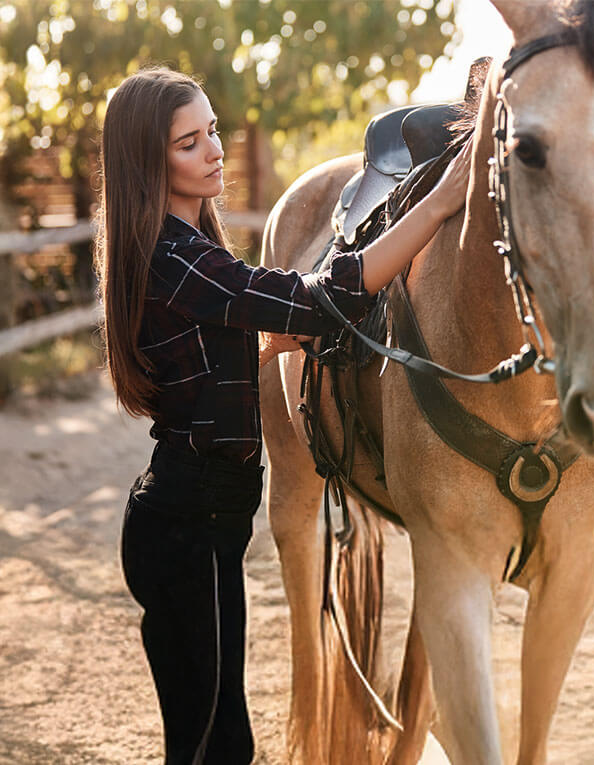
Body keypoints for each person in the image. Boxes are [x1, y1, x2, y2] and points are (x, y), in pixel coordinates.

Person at [96, 66, 472, 764]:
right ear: (149, 162)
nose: (214, 151)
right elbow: (329, 295)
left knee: (217, 733)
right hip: (188, 520)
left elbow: (222, 347)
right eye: (188, 142)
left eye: (212, 131)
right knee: (213, 743)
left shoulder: (189, 251)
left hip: (202, 515)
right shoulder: (177, 258)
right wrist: (437, 205)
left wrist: (268, 346)